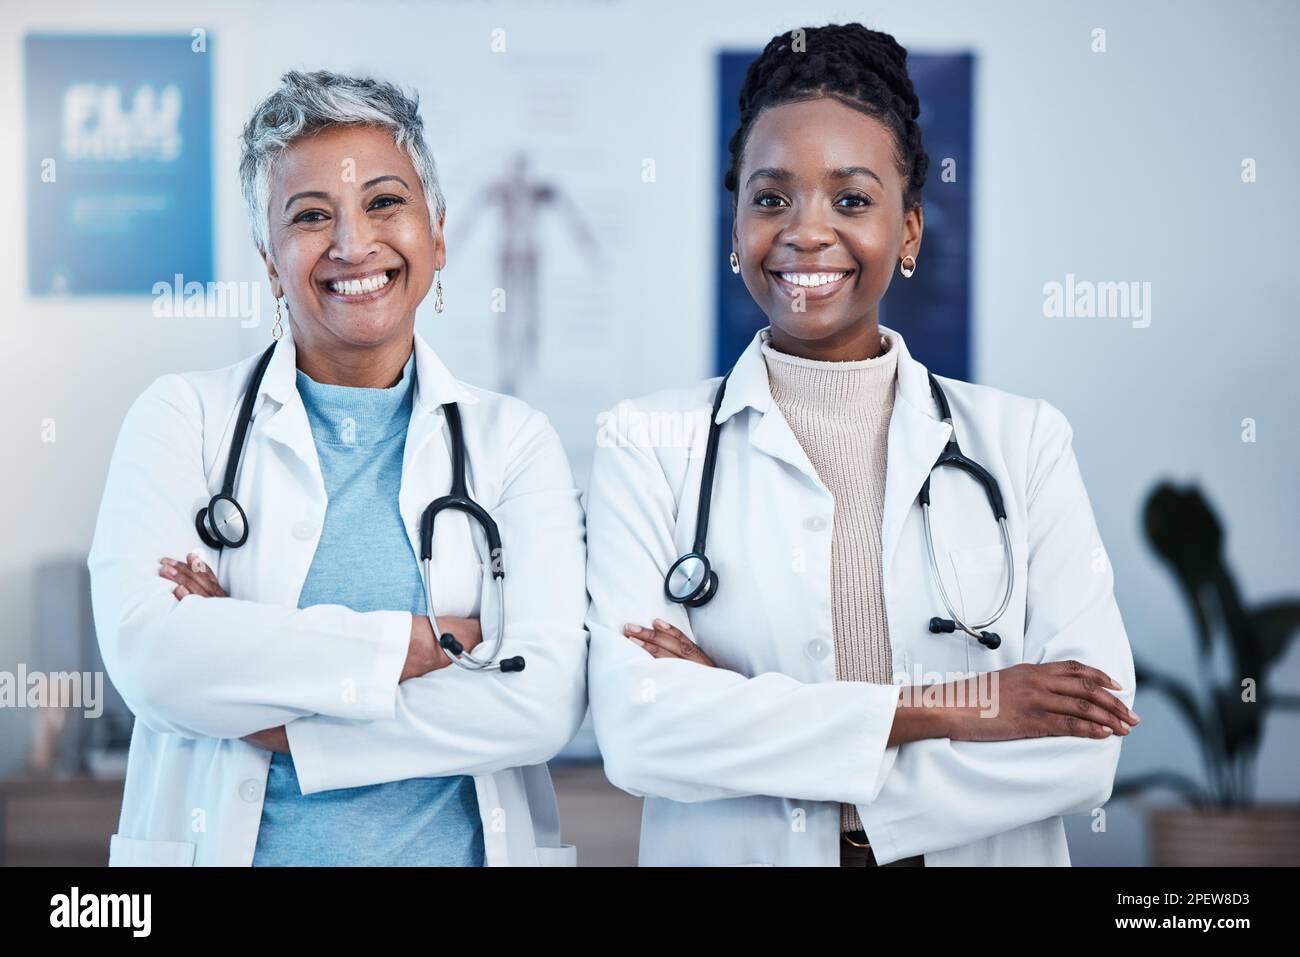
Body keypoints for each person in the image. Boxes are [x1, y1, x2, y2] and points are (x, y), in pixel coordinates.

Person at [584, 24, 1139, 867]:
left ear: (909, 231)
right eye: (771, 199)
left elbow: (1086, 740)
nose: (807, 232)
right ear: (735, 229)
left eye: (851, 200)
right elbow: (638, 733)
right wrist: (960, 704)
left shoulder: (1024, 441)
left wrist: (742, 712)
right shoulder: (646, 443)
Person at [87, 70, 587, 866]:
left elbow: (542, 701)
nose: (354, 245)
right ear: (269, 258)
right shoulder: (181, 418)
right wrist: (424, 644)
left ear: (438, 234)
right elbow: (152, 659)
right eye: (311, 215)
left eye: (384, 202)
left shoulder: (514, 443)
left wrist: (285, 715)